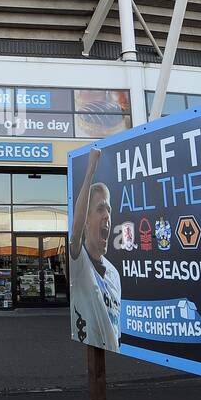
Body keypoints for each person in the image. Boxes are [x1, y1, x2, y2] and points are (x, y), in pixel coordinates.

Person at [68, 146, 121, 351]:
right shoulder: (79, 262)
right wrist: (91, 168)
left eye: (109, 209)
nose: (107, 215)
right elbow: (75, 232)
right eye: (100, 209)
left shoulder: (115, 275)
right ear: (87, 220)